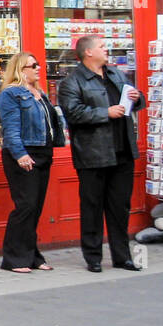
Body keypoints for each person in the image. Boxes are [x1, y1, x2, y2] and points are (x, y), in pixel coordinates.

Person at [57, 34, 145, 272]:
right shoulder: (72, 82)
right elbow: (73, 113)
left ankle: (122, 256)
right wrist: (105, 113)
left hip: (122, 151)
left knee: (119, 207)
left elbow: (136, 99)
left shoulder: (115, 73)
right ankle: (93, 257)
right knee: (92, 207)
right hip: (93, 154)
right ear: (88, 52)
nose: (107, 50)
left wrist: (137, 99)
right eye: (103, 47)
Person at [0, 52, 65, 272]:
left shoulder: (40, 94)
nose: (38, 68)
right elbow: (11, 128)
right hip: (24, 153)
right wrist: (20, 154)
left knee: (35, 208)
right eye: (32, 65)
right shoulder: (11, 94)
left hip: (43, 152)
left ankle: (32, 255)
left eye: (38, 65)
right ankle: (13, 258)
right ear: (20, 70)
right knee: (25, 206)